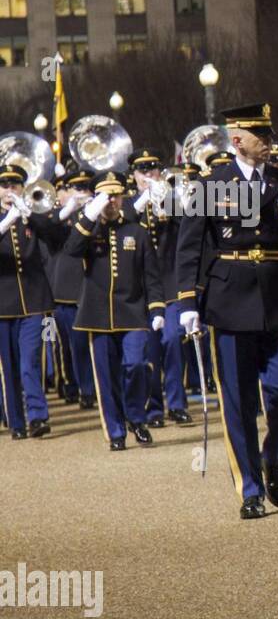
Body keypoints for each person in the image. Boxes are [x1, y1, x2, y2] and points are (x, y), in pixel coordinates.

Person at [174, 102, 278, 520]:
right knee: (238, 402)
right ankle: (250, 488)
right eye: (264, 136)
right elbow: (190, 246)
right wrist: (188, 301)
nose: (271, 143)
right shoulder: (213, 184)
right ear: (238, 139)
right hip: (230, 300)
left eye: (271, 135)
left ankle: (270, 455)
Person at [65, 171, 165, 451]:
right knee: (107, 379)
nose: (112, 202)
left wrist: (157, 308)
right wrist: (89, 217)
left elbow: (151, 276)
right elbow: (71, 250)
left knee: (135, 366)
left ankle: (136, 417)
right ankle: (116, 431)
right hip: (97, 316)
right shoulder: (88, 229)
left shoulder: (137, 231)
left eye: (116, 196)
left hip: (132, 312)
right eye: (106, 197)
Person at [126, 148, 190, 427]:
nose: (148, 174)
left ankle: (176, 403)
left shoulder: (170, 198)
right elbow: (123, 223)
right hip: (140, 287)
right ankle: (153, 408)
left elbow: (188, 226)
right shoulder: (129, 203)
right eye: (142, 170)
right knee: (149, 350)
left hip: (170, 282)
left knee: (173, 341)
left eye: (152, 168)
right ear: (133, 175)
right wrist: (143, 201)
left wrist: (169, 201)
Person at [0, 163, 59, 440]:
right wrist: (7, 221)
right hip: (3, 305)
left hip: (36, 302)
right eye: (4, 185)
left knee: (30, 361)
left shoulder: (31, 216)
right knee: (8, 367)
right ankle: (17, 421)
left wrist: (29, 216)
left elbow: (56, 235)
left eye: (15, 185)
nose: (9, 190)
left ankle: (37, 416)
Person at [48, 168, 97, 410]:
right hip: (64, 294)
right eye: (75, 189)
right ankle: (76, 386)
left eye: (85, 188)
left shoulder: (96, 214)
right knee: (69, 346)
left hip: (89, 290)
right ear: (64, 192)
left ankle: (90, 388)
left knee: (90, 345)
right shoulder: (58, 217)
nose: (80, 193)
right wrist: (68, 210)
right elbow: (48, 230)